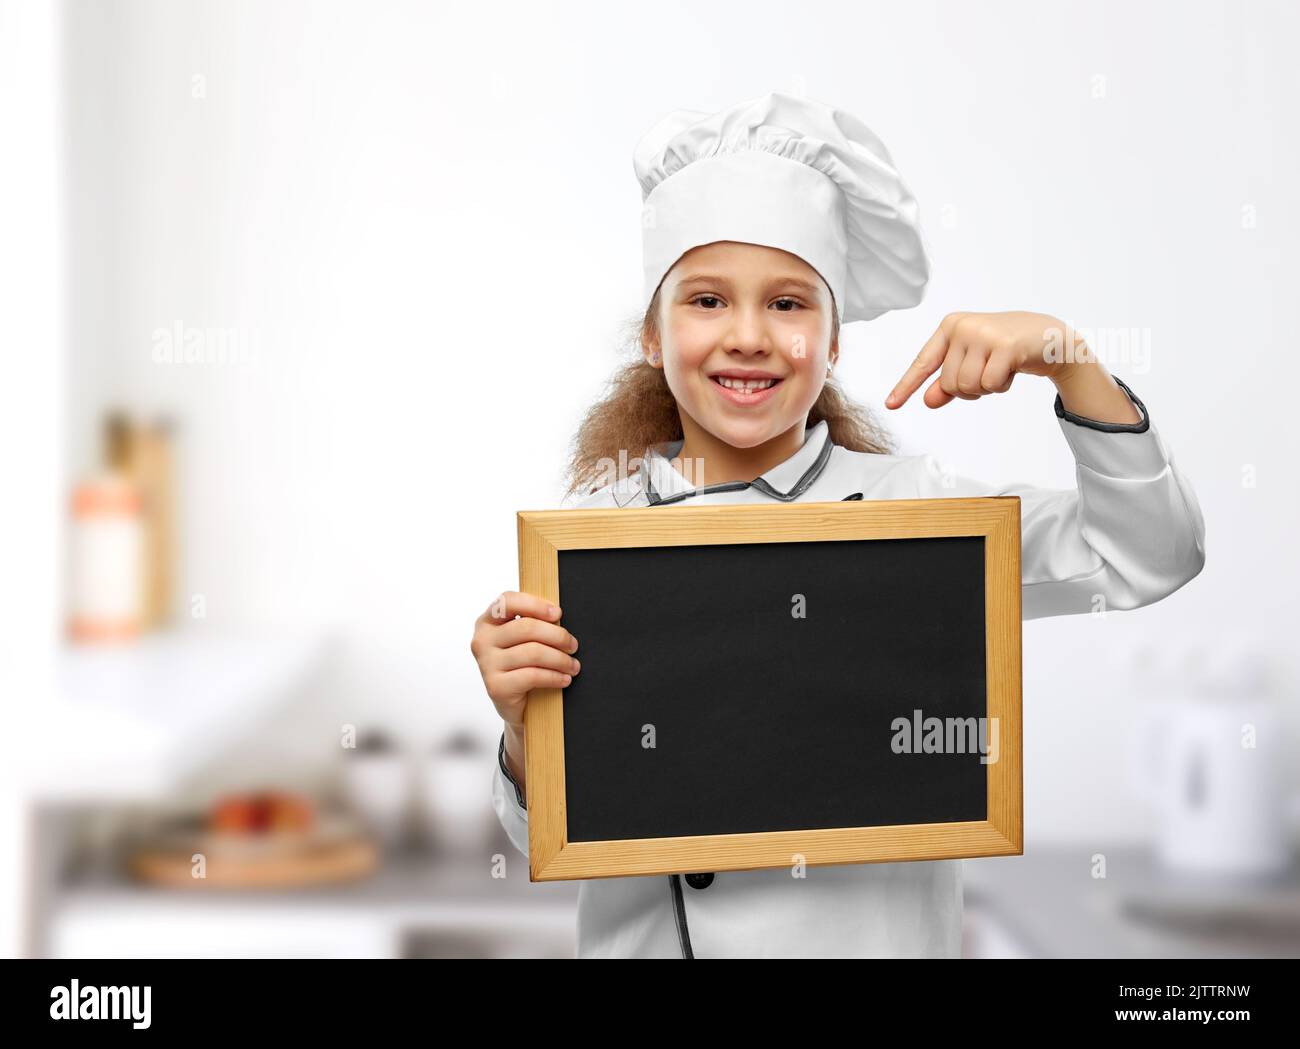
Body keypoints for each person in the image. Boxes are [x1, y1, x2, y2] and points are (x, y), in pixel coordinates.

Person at [470, 91, 1206, 958]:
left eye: (788, 304)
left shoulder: (920, 518)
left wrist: (1066, 359)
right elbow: (545, 838)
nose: (747, 336)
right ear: (652, 335)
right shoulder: (594, 539)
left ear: (834, 340)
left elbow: (1150, 554)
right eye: (706, 300)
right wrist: (521, 727)